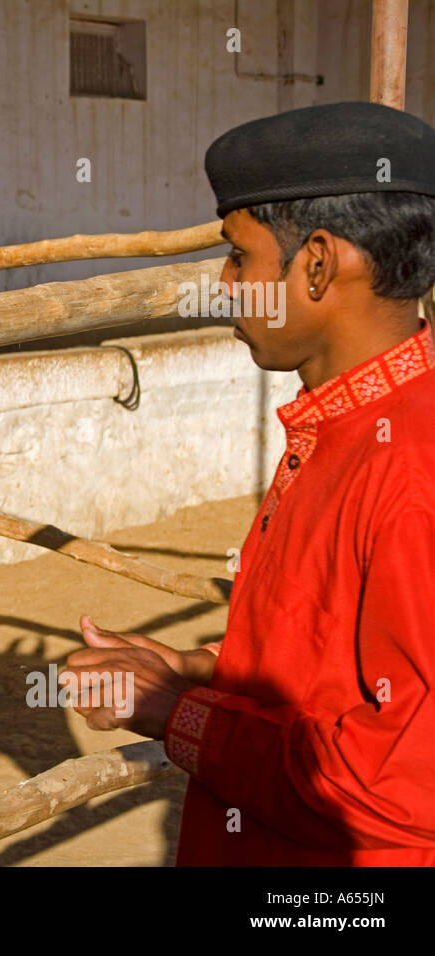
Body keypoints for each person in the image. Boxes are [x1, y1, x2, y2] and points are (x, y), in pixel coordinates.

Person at [63, 101, 435, 865]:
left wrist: (176, 713)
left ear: (320, 263)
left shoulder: (407, 470)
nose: (226, 284)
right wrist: (194, 671)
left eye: (239, 256)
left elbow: (403, 790)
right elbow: (328, 670)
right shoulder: (342, 425)